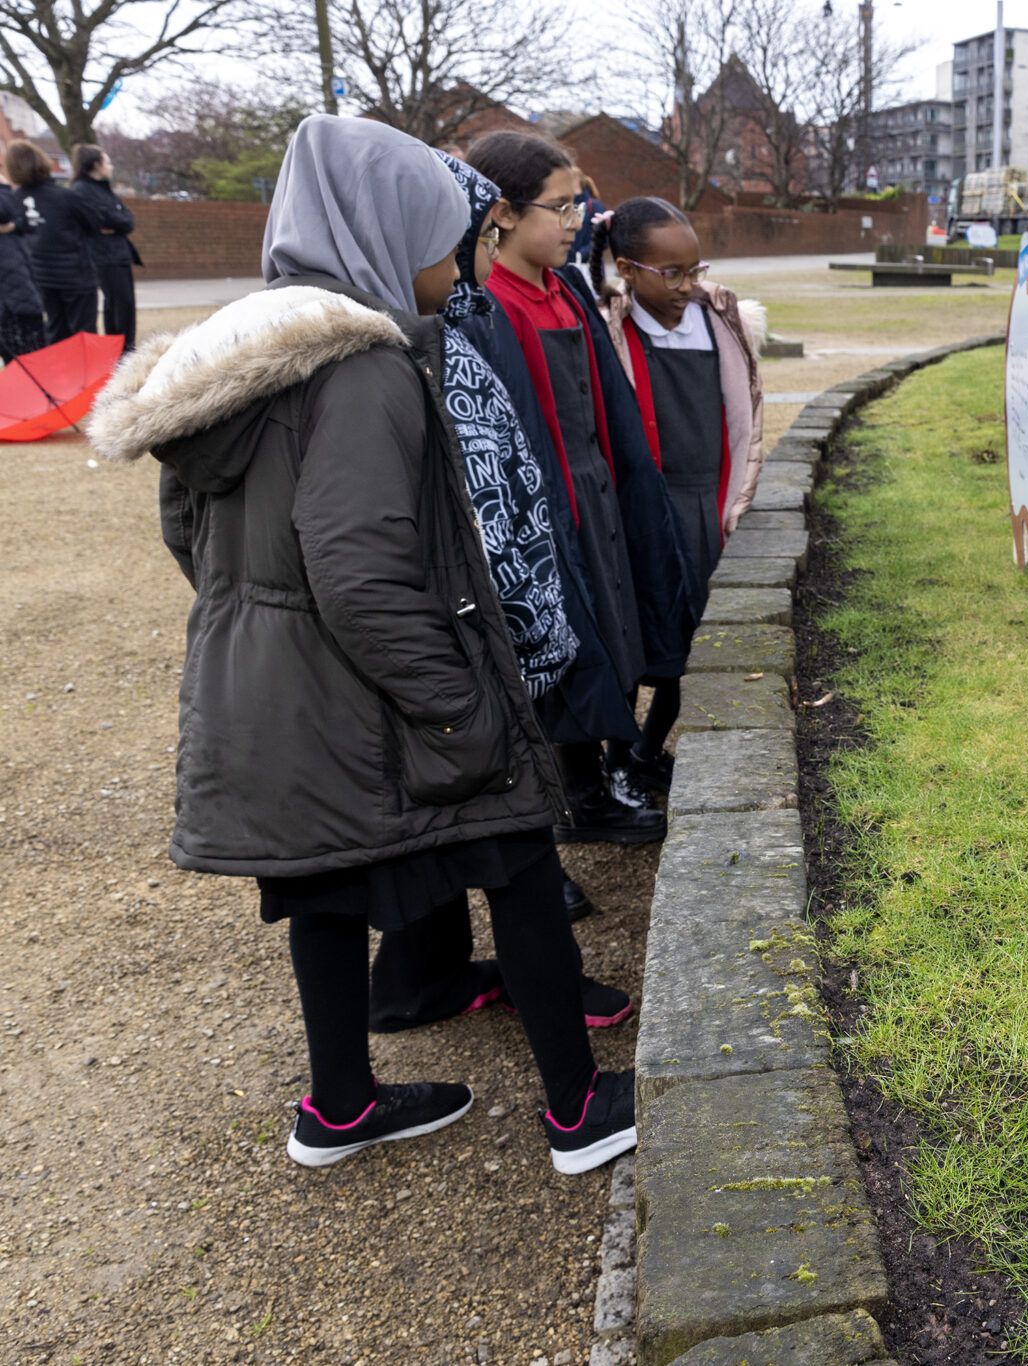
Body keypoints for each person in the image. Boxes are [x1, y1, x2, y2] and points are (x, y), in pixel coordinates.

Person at [83, 114, 636, 1175]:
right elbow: (361, 567)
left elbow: (189, 532)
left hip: (282, 689)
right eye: (447, 233)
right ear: (387, 231)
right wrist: (456, 705)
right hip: (386, 680)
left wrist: (274, 628)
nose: (458, 258)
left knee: (326, 881)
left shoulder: (240, 350)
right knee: (518, 855)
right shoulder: (368, 368)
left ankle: (337, 1105)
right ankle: (577, 1112)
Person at [360, 149, 637, 1037]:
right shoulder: (397, 346)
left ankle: (421, 974)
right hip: (458, 622)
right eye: (466, 240)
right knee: (502, 813)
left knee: (441, 806)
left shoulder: (426, 322)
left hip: (456, 614)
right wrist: (520, 624)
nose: (469, 265)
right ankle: (561, 1067)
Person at [464, 129, 698, 840]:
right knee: (562, 641)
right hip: (551, 507)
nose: (575, 222)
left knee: (618, 631)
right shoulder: (488, 302)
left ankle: (600, 781)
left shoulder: (564, 287)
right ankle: (571, 796)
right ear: (502, 212)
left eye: (577, 206)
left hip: (601, 495)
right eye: (560, 208)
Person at [593, 197, 765, 803]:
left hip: (708, 507)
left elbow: (743, 410)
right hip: (646, 513)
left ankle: (646, 749)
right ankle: (617, 764)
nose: (688, 286)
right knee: (642, 642)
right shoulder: (610, 332)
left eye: (696, 270)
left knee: (698, 643)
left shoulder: (719, 321)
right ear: (627, 269)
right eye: (673, 274)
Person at [8, 141, 104, 342]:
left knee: (56, 331)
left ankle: (60, 373)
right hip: (76, 276)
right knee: (84, 334)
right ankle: (86, 373)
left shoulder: (15, 199)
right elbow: (95, 223)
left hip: (42, 277)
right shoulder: (66, 196)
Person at [70, 144, 139, 351]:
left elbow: (127, 220)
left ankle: (121, 349)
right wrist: (114, 223)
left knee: (119, 305)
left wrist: (115, 224)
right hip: (103, 255)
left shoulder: (105, 190)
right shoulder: (82, 191)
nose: (111, 166)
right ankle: (123, 350)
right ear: (96, 164)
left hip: (118, 253)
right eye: (107, 162)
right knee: (120, 304)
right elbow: (99, 221)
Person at [0, 171, 43, 359]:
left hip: (17, 282)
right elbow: (5, 211)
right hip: (12, 293)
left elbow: (26, 221)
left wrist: (14, 225)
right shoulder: (5, 193)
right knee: (24, 353)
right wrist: (3, 187)